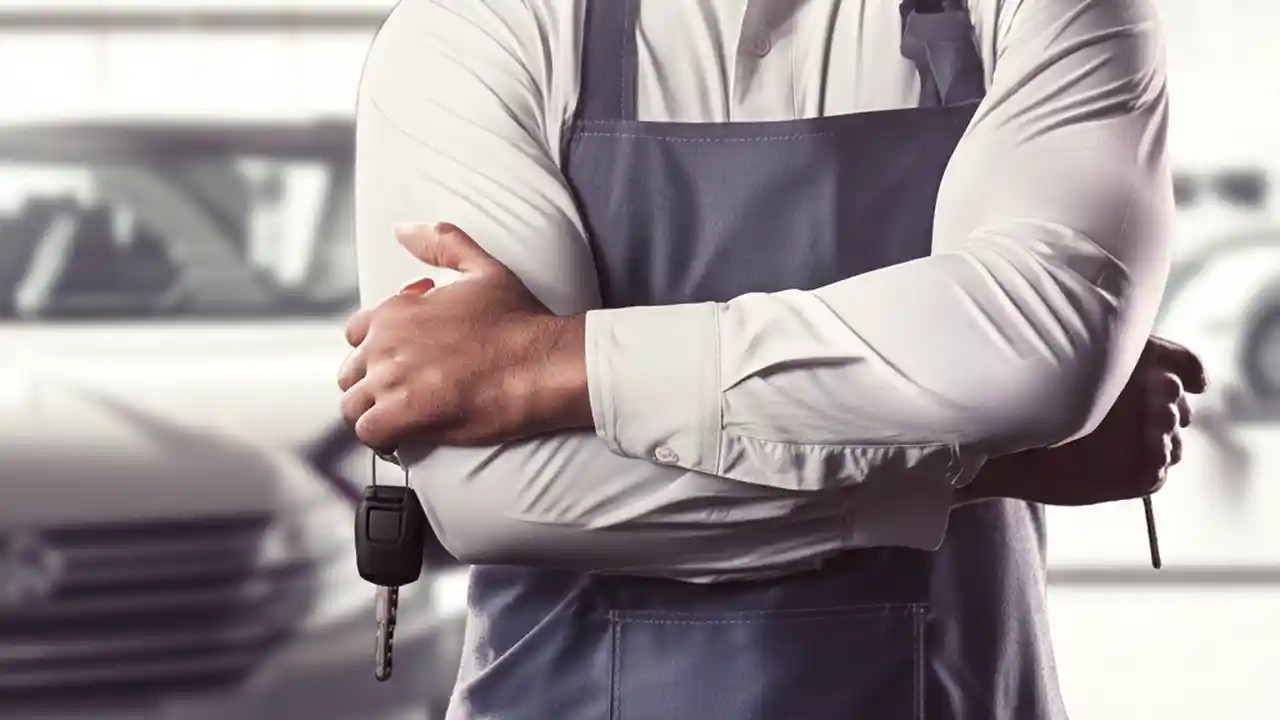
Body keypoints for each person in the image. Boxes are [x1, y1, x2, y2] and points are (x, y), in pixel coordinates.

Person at [338, 0, 1206, 717]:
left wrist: (557, 363)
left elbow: (1032, 348)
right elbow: (500, 495)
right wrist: (986, 463)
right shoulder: (482, 27)